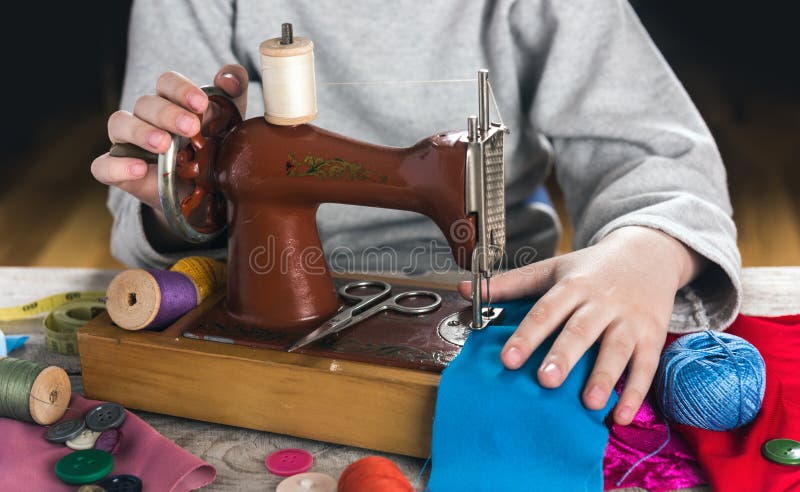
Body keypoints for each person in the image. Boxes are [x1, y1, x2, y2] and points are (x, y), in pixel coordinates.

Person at [91, 0, 742, 426]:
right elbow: (147, 212)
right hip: (248, 329)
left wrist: (647, 251)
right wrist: (175, 182)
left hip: (510, 289)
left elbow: (659, 157)